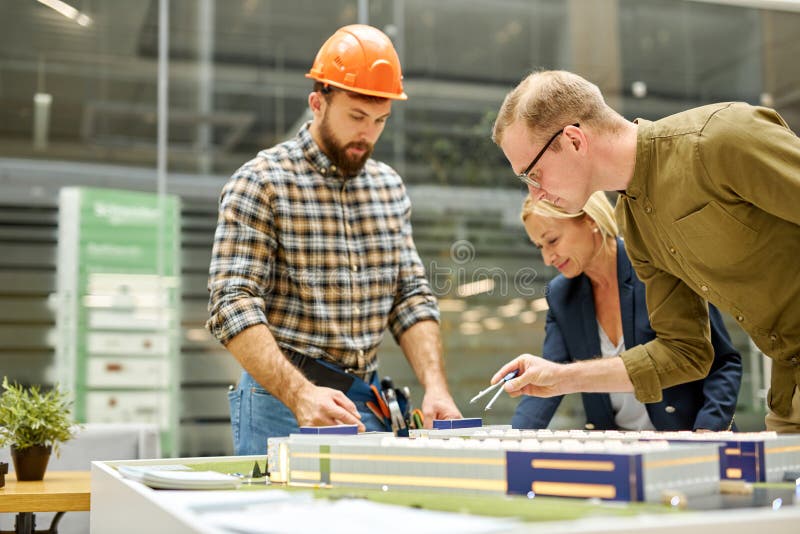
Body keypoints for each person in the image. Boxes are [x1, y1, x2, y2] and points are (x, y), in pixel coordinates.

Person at [489, 69, 800, 433]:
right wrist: (562, 378)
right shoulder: (636, 226)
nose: (535, 193)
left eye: (533, 174)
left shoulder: (719, 139)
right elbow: (685, 352)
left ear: (574, 140)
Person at [207, 24, 461, 455]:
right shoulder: (262, 181)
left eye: (380, 120)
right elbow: (231, 303)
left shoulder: (389, 188)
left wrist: (435, 387)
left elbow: (410, 297)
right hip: (281, 400)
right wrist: (300, 394)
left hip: (367, 401)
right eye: (357, 117)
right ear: (317, 103)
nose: (368, 134)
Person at [512, 192, 742, 431]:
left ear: (589, 219)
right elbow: (548, 380)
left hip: (693, 441)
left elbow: (724, 363)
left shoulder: (656, 267)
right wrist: (508, 445)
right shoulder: (561, 296)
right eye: (540, 247)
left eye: (552, 241)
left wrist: (708, 431)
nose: (547, 258)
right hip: (621, 452)